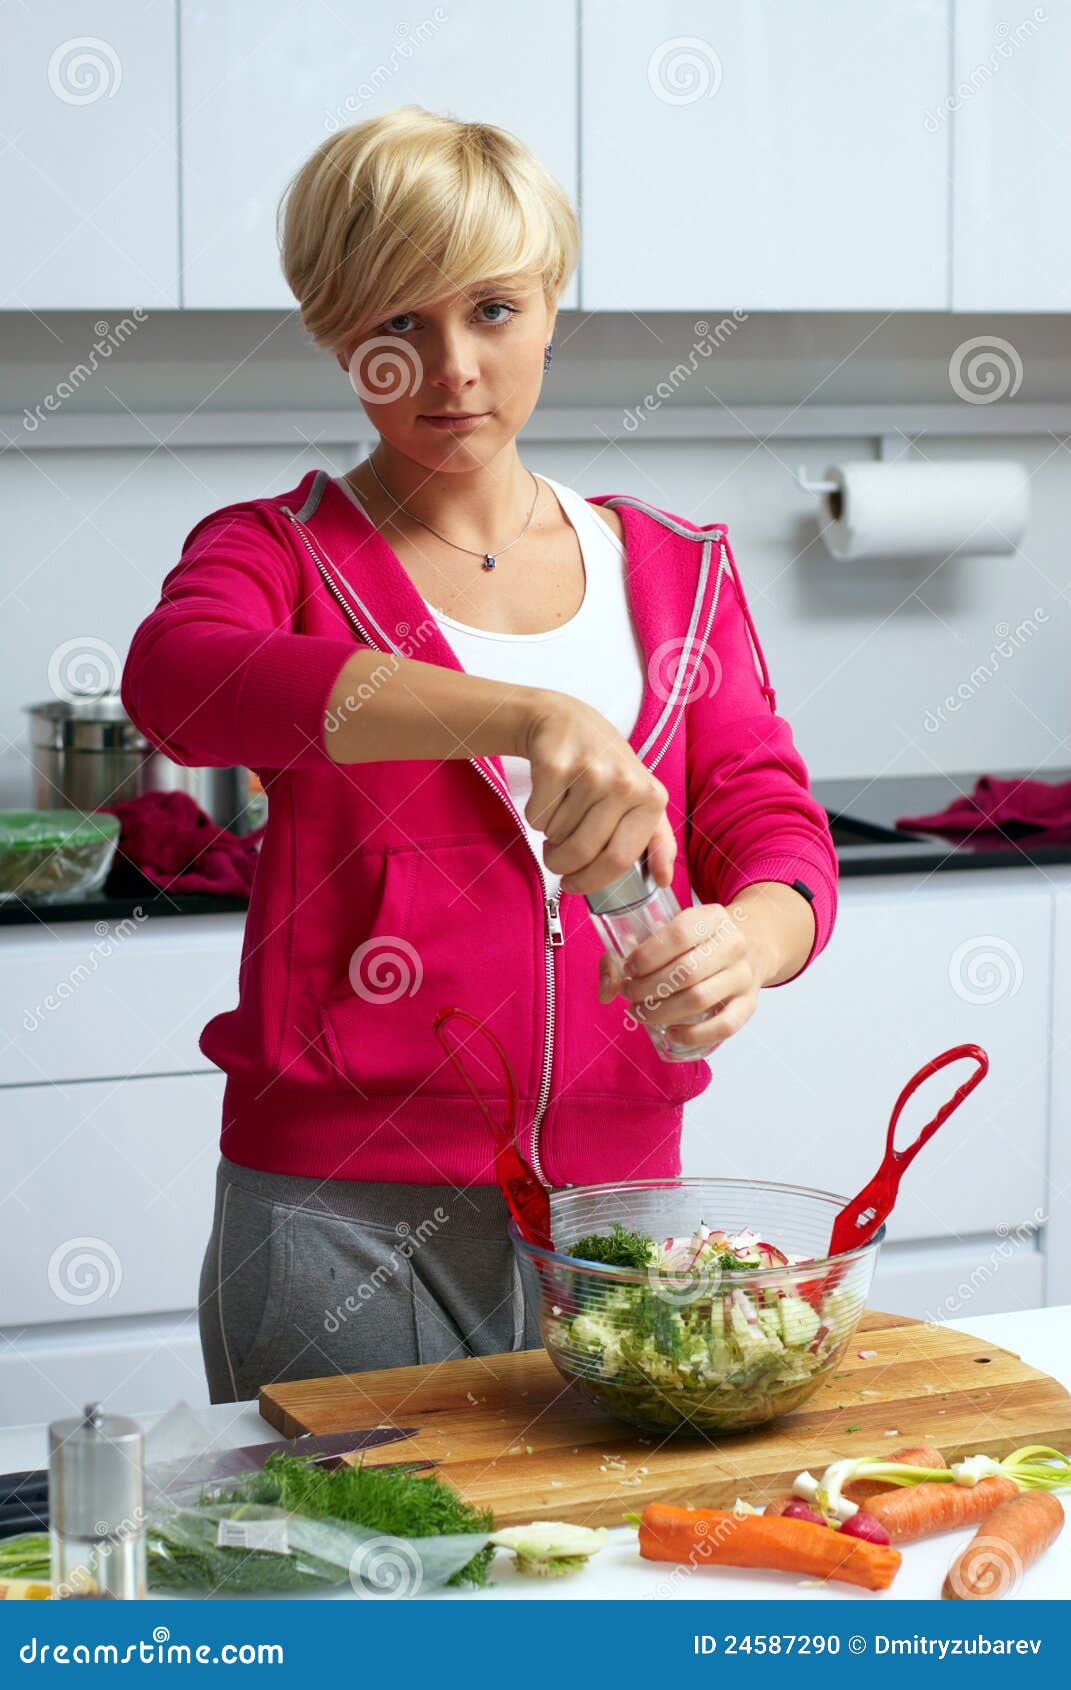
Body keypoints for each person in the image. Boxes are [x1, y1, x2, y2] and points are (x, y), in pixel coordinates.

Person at [121, 105, 838, 1403]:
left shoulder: (677, 568)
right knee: (371, 1597)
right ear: (338, 331)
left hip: (627, 1208)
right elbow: (182, 682)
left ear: (553, 303)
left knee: (605, 1580)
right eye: (395, 323)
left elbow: (774, 829)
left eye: (493, 310)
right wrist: (520, 711)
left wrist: (751, 942)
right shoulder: (278, 553)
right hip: (339, 1213)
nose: (450, 366)